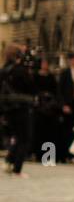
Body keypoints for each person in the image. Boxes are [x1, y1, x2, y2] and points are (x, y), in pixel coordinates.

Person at [0, 44, 36, 175]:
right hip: (22, 106)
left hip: (8, 108)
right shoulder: (20, 70)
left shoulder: (4, 70)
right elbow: (31, 86)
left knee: (17, 136)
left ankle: (9, 161)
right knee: (25, 138)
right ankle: (17, 168)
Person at [32, 54, 62, 166]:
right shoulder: (35, 76)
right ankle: (39, 155)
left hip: (50, 108)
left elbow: (56, 91)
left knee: (50, 133)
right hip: (39, 107)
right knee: (40, 132)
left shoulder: (51, 77)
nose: (45, 65)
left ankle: (49, 156)